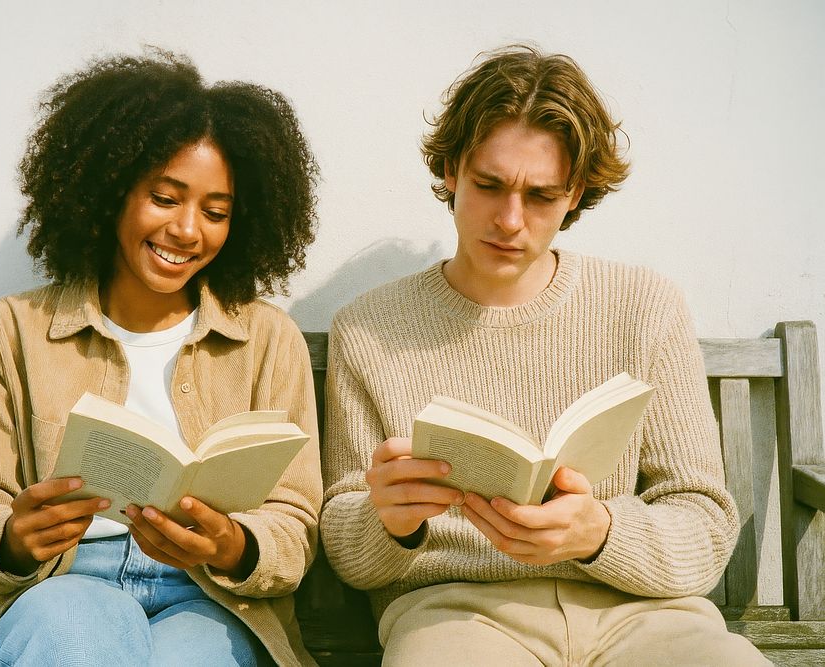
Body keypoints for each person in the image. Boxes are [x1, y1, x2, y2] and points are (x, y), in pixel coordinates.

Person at [320, 45, 768, 665]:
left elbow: (706, 520)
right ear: (451, 170)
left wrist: (600, 533)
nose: (510, 220)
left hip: (645, 616)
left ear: (575, 193)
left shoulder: (643, 307)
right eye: (489, 185)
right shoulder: (369, 329)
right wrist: (388, 521)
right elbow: (343, 538)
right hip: (457, 614)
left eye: (540, 196)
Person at [0, 50, 321, 667]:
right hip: (58, 587)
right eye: (165, 198)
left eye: (216, 212)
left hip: (211, 598)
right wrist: (12, 538)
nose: (189, 230)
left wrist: (231, 545)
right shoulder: (12, 330)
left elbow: (295, 524)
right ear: (111, 189)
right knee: (70, 639)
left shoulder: (268, 340)